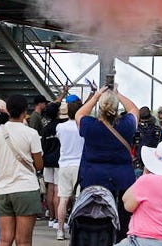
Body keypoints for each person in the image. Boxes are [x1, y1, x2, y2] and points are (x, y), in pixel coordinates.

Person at [75, 87, 138, 237]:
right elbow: (134, 109)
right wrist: (118, 94)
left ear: (100, 107)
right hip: (123, 179)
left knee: (94, 220)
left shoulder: (90, 125)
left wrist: (96, 96)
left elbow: (79, 114)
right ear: (116, 108)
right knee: (124, 219)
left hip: (93, 179)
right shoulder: (127, 125)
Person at [0, 94, 44, 246]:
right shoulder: (31, 134)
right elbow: (39, 165)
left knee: (4, 239)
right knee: (24, 241)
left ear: (7, 110)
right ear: (25, 111)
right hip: (26, 188)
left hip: (3, 190)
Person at [55, 100, 83, 241]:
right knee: (79, 199)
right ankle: (76, 230)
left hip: (64, 165)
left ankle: (60, 230)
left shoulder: (60, 127)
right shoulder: (82, 126)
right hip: (79, 165)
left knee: (63, 199)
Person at [39, 103, 63, 231]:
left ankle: (51, 217)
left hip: (47, 161)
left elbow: (43, 147)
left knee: (50, 188)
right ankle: (58, 219)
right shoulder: (61, 127)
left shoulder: (46, 129)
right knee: (58, 190)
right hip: (59, 161)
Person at [133, 106, 162, 176]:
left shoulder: (134, 130)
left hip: (138, 164)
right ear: (150, 117)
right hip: (154, 166)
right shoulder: (158, 129)